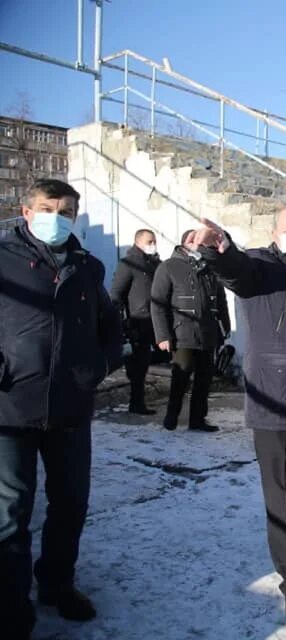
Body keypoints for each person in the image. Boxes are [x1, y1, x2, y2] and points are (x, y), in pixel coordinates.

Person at [185, 207, 286, 626]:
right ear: (275, 233)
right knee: (282, 503)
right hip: (276, 405)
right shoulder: (259, 265)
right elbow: (234, 272)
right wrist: (220, 251)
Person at [0, 179, 123, 638]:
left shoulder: (88, 267)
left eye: (66, 210)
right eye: (48, 207)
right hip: (9, 407)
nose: (58, 216)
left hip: (71, 407)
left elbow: (111, 327)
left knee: (70, 503)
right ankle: (11, 606)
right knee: (11, 512)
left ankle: (56, 583)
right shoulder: (3, 258)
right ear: (26, 211)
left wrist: (98, 366)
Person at [150, 230, 229, 432]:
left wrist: (225, 327)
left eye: (200, 241)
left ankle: (197, 420)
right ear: (184, 242)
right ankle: (171, 417)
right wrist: (163, 335)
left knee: (204, 381)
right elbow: (158, 304)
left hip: (208, 333)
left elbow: (221, 301)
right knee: (181, 378)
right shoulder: (168, 266)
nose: (198, 244)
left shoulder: (209, 268)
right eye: (193, 240)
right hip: (182, 333)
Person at [110, 229, 161, 415]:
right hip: (138, 321)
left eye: (154, 241)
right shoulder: (129, 264)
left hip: (155, 321)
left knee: (149, 361)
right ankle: (136, 403)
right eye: (149, 241)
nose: (153, 244)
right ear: (138, 242)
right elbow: (117, 293)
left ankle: (139, 401)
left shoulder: (156, 263)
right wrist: (122, 321)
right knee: (138, 365)